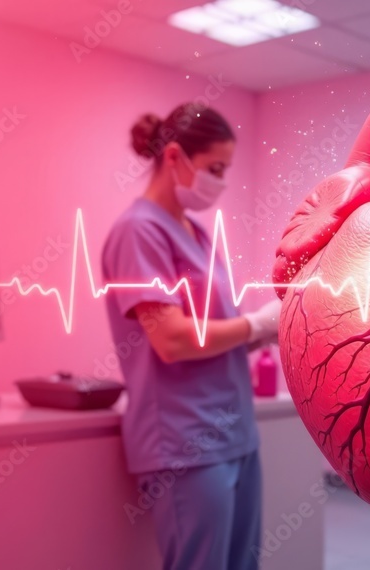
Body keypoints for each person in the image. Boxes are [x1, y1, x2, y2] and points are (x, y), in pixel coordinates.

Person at [100, 102, 281, 570]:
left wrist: (268, 331)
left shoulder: (196, 234)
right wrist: (258, 325)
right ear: (175, 157)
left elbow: (215, 331)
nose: (220, 182)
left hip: (235, 435)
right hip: (185, 445)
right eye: (214, 169)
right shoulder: (138, 232)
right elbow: (174, 340)